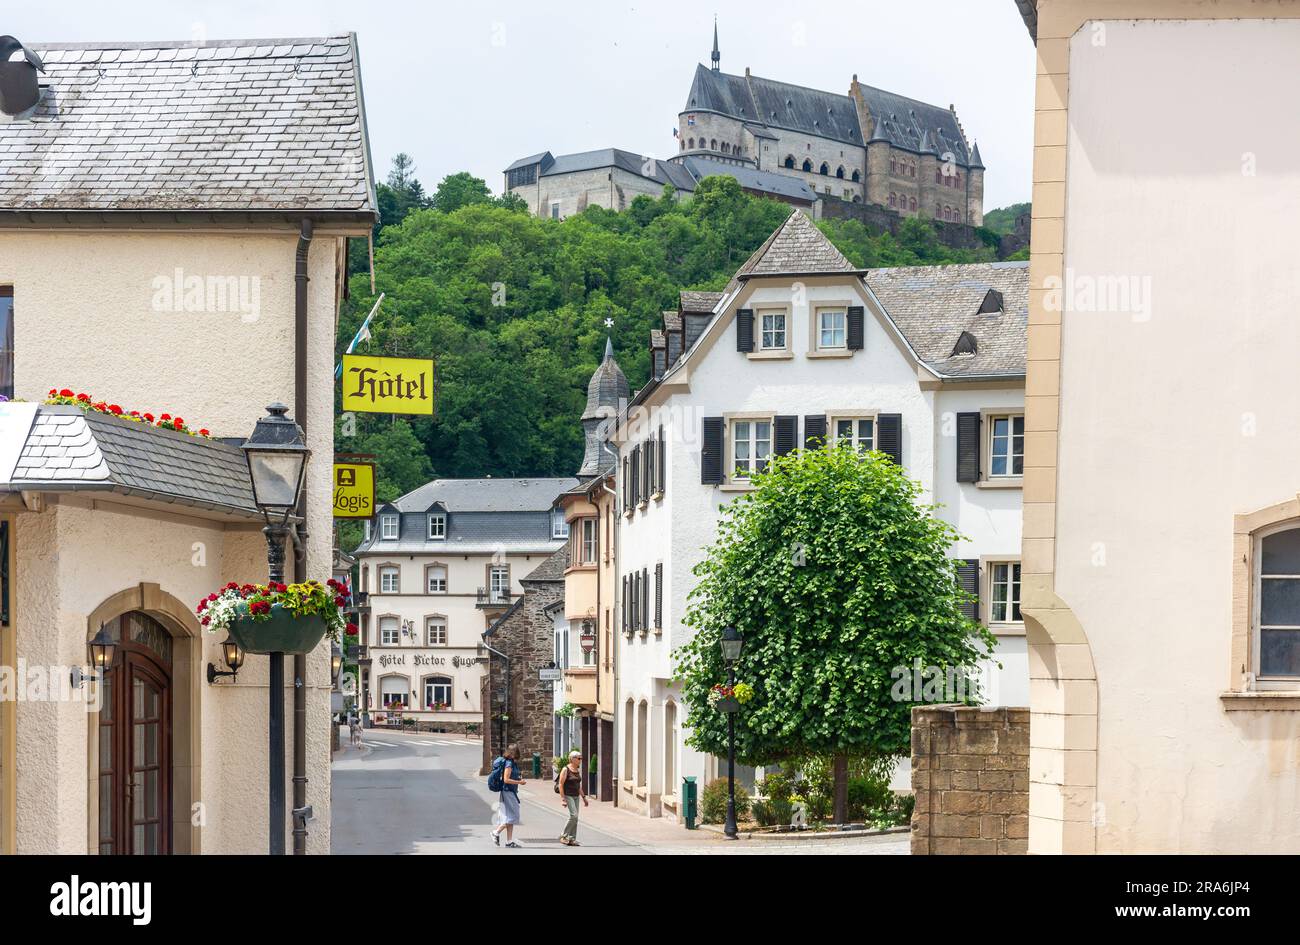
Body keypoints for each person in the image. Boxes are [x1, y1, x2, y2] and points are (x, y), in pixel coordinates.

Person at [491, 745, 527, 848]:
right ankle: (496, 832)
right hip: (508, 791)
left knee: (509, 816)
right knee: (514, 815)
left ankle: (509, 841)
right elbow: (506, 780)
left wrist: (518, 779)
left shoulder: (512, 763)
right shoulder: (509, 763)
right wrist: (519, 782)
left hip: (510, 791)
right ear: (514, 753)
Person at [557, 750, 589, 846]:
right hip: (568, 795)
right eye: (579, 758)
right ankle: (563, 835)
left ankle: (571, 839)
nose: (580, 760)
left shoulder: (577, 770)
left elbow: (578, 786)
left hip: (576, 796)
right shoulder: (566, 769)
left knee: (576, 818)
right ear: (572, 759)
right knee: (573, 815)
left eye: (581, 758)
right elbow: (560, 784)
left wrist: (584, 797)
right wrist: (563, 799)